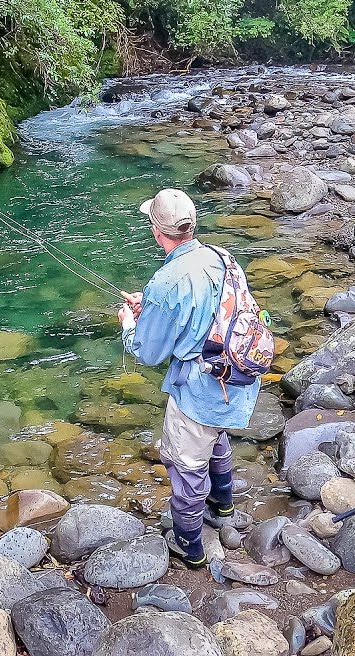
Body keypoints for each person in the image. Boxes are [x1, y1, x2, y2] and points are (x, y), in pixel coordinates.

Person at [118, 188, 260, 568]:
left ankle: (189, 544)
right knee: (216, 438)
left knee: (186, 464)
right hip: (238, 375)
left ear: (156, 230)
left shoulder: (166, 282)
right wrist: (151, 307)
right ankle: (223, 507)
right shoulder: (221, 256)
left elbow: (148, 352)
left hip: (200, 387)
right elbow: (209, 313)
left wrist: (131, 323)